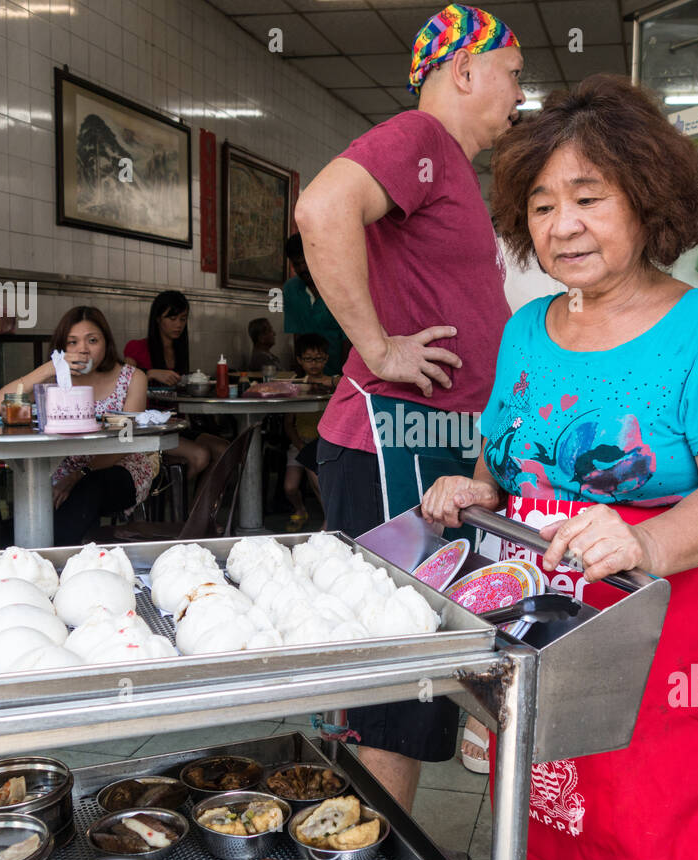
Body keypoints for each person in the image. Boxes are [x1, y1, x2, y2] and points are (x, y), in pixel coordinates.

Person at [422, 74, 698, 860]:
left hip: (672, 637)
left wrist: (643, 545)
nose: (563, 225)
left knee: (653, 836)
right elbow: (503, 467)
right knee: (545, 823)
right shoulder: (524, 329)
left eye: (589, 197)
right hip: (542, 634)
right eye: (543, 206)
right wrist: (473, 490)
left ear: (646, 200)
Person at [293, 2, 523, 813]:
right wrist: (382, 346)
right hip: (393, 440)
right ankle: (360, 842)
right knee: (396, 682)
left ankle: (360, 835)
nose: (518, 96)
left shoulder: (453, 165)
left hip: (432, 444)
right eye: (513, 74)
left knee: (411, 673)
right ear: (465, 69)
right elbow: (320, 209)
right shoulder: (421, 138)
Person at [0, 306, 155, 545]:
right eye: (73, 342)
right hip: (64, 469)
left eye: (92, 340)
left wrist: (79, 475)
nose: (83, 350)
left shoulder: (132, 378)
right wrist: (49, 368)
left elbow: (124, 439)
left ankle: (53, 564)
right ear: (63, 349)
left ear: (106, 342)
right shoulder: (57, 379)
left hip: (121, 465)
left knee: (86, 492)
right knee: (34, 501)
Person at [123, 290, 226, 483]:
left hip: (175, 424)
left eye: (183, 319)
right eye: (172, 318)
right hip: (146, 427)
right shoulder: (137, 347)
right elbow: (123, 382)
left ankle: (197, 508)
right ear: (157, 318)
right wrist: (151, 373)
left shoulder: (178, 350)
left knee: (224, 449)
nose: (178, 324)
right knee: (200, 456)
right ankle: (173, 499)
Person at [282, 334, 335, 531]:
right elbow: (289, 424)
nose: (314, 364)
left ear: (326, 359)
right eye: (309, 359)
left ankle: (329, 520)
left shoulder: (332, 384)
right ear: (299, 360)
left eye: (319, 358)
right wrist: (300, 445)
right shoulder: (294, 387)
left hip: (323, 443)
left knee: (320, 486)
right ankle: (301, 510)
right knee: (290, 487)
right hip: (300, 442)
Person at [284, 232, 348, 377]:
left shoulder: (339, 286)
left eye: (305, 261)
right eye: (296, 264)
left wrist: (344, 376)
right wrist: (301, 373)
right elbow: (297, 334)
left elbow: (348, 338)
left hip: (338, 370)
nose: (302, 269)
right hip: (308, 374)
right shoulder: (290, 289)